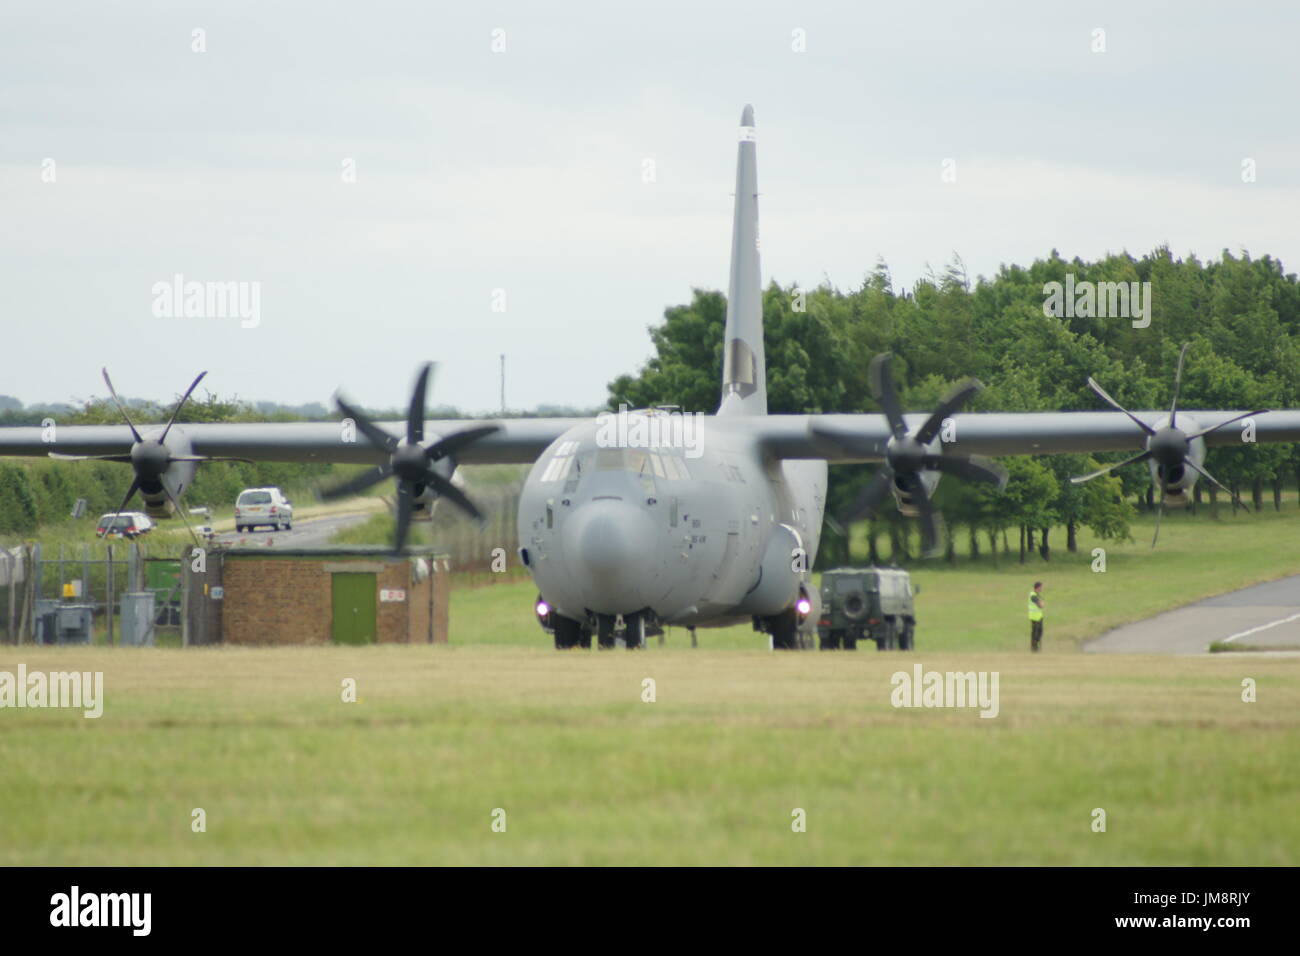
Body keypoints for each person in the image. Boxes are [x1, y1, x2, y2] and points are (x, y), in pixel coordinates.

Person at [1028, 581, 1045, 652]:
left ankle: (1036, 646)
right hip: (1034, 617)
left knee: (1040, 632)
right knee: (1035, 633)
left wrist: (1042, 604)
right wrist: (1041, 604)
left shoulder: (1037, 595)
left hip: (1039, 617)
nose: (1042, 588)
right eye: (1041, 587)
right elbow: (1041, 605)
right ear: (1038, 587)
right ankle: (1034, 648)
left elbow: (1042, 604)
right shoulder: (1033, 595)